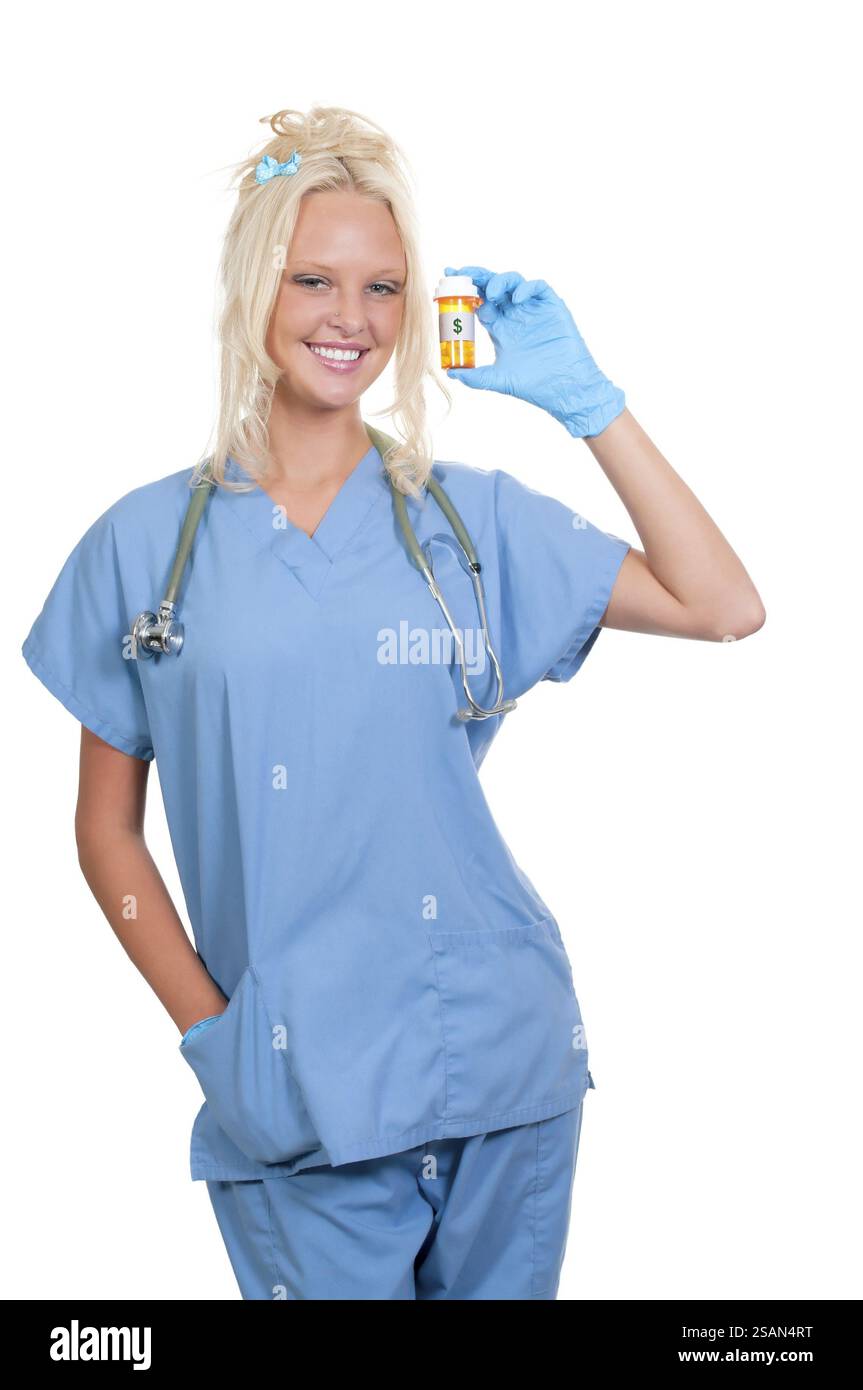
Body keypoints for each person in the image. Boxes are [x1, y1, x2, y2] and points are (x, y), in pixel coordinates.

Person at [20, 104, 765, 1301]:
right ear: (251, 288)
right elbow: (103, 828)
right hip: (294, 1087)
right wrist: (217, 1041)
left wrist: (589, 406)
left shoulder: (466, 520)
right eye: (312, 278)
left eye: (383, 289)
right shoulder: (144, 546)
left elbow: (721, 603)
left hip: (503, 1068)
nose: (349, 321)